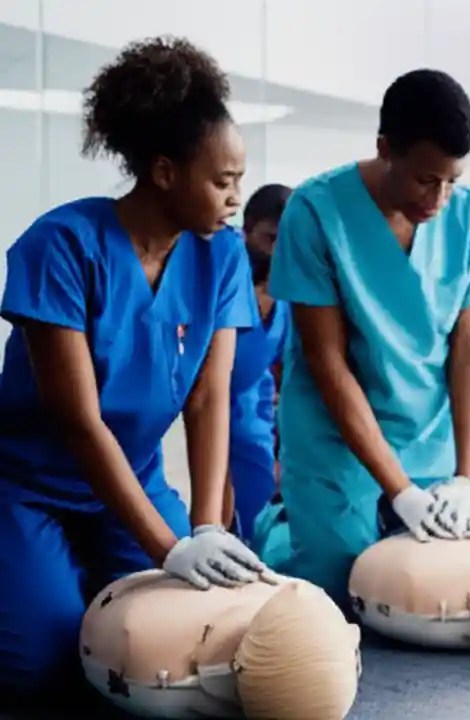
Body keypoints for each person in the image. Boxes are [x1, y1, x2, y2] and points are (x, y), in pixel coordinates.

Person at [0, 36, 271, 700]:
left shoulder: (223, 256)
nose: (237, 197)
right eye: (223, 180)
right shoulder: (61, 245)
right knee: (42, 664)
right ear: (164, 172)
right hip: (27, 482)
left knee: (195, 633)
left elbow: (210, 401)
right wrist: (166, 548)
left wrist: (203, 528)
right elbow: (79, 421)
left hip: (136, 479)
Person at [261, 69, 470, 604]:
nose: (439, 199)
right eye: (424, 180)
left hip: (425, 433)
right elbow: (326, 362)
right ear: (385, 147)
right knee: (339, 590)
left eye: (451, 181)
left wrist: (467, 478)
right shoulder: (316, 211)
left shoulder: (468, 215)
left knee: (440, 595)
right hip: (334, 438)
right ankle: (281, 525)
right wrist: (399, 492)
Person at [224, 183, 292, 539]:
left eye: (287, 241)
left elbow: (286, 370)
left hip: (250, 408)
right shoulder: (223, 274)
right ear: (247, 228)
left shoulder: (288, 293)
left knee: (257, 509)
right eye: (270, 238)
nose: (279, 250)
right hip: (200, 400)